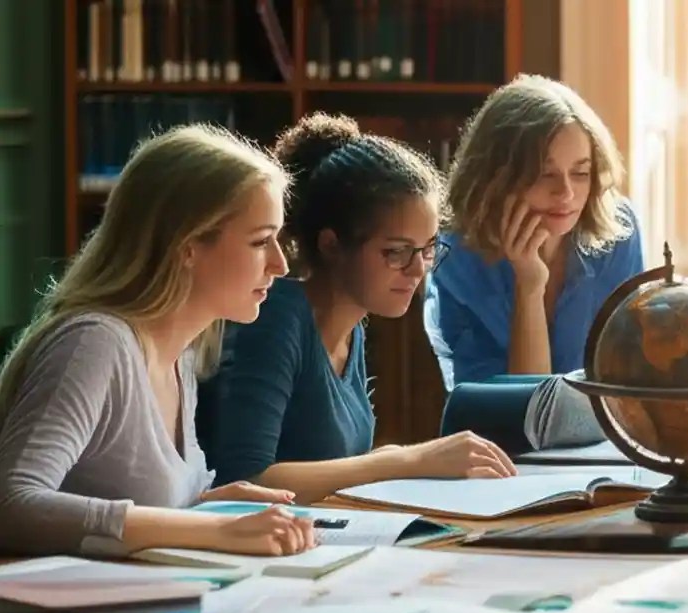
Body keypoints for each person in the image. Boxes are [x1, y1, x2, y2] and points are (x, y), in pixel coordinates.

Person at [0, 125, 315, 558]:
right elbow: (10, 506)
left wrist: (208, 507)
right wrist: (212, 531)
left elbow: (141, 502)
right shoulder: (95, 344)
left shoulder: (180, 352)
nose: (280, 264)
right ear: (186, 247)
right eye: (261, 241)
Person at [201, 113, 516, 504]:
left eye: (429, 248)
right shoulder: (276, 317)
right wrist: (405, 459)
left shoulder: (353, 327)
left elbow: (334, 465)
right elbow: (247, 478)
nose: (418, 269)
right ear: (332, 244)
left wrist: (391, 460)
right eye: (397, 252)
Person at [424, 74, 644, 391]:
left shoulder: (621, 232)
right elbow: (519, 409)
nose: (566, 193)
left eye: (581, 173)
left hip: (599, 434)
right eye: (545, 174)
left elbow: (630, 382)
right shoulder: (455, 257)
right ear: (497, 176)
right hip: (501, 435)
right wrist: (529, 287)